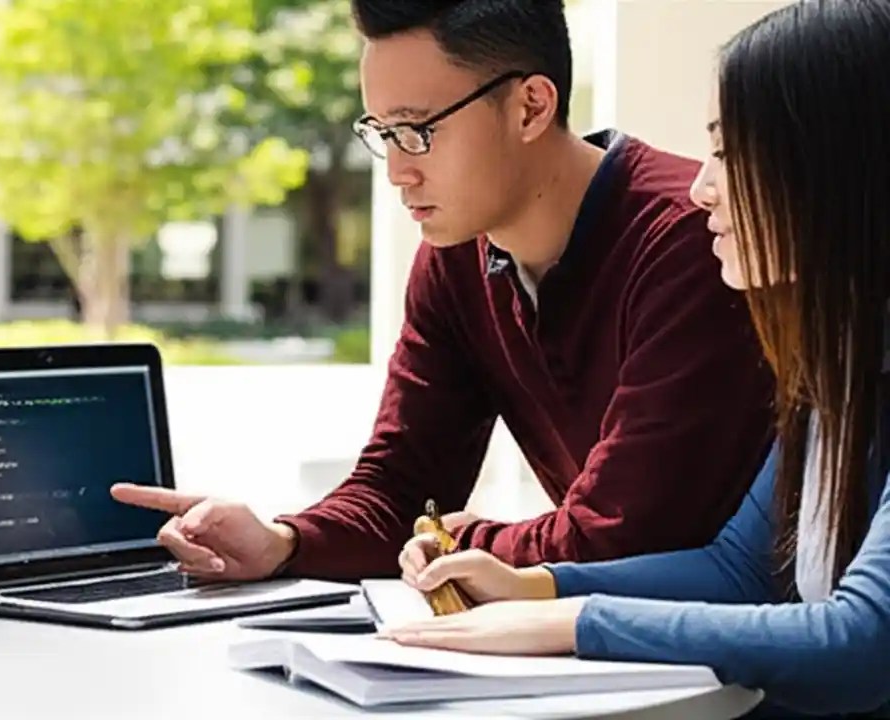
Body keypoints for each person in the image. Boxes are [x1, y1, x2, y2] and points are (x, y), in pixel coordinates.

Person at [110, 0, 776, 581]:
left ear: (531, 106)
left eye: (417, 132)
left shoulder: (696, 240)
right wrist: (284, 542)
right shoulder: (457, 255)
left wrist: (452, 541)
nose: (398, 172)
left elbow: (624, 532)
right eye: (381, 134)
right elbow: (402, 483)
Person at [381, 0, 890, 715]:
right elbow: (738, 569)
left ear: (834, 166)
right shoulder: (834, 370)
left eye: (730, 152)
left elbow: (861, 643)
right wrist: (534, 587)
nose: (701, 186)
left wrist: (569, 623)